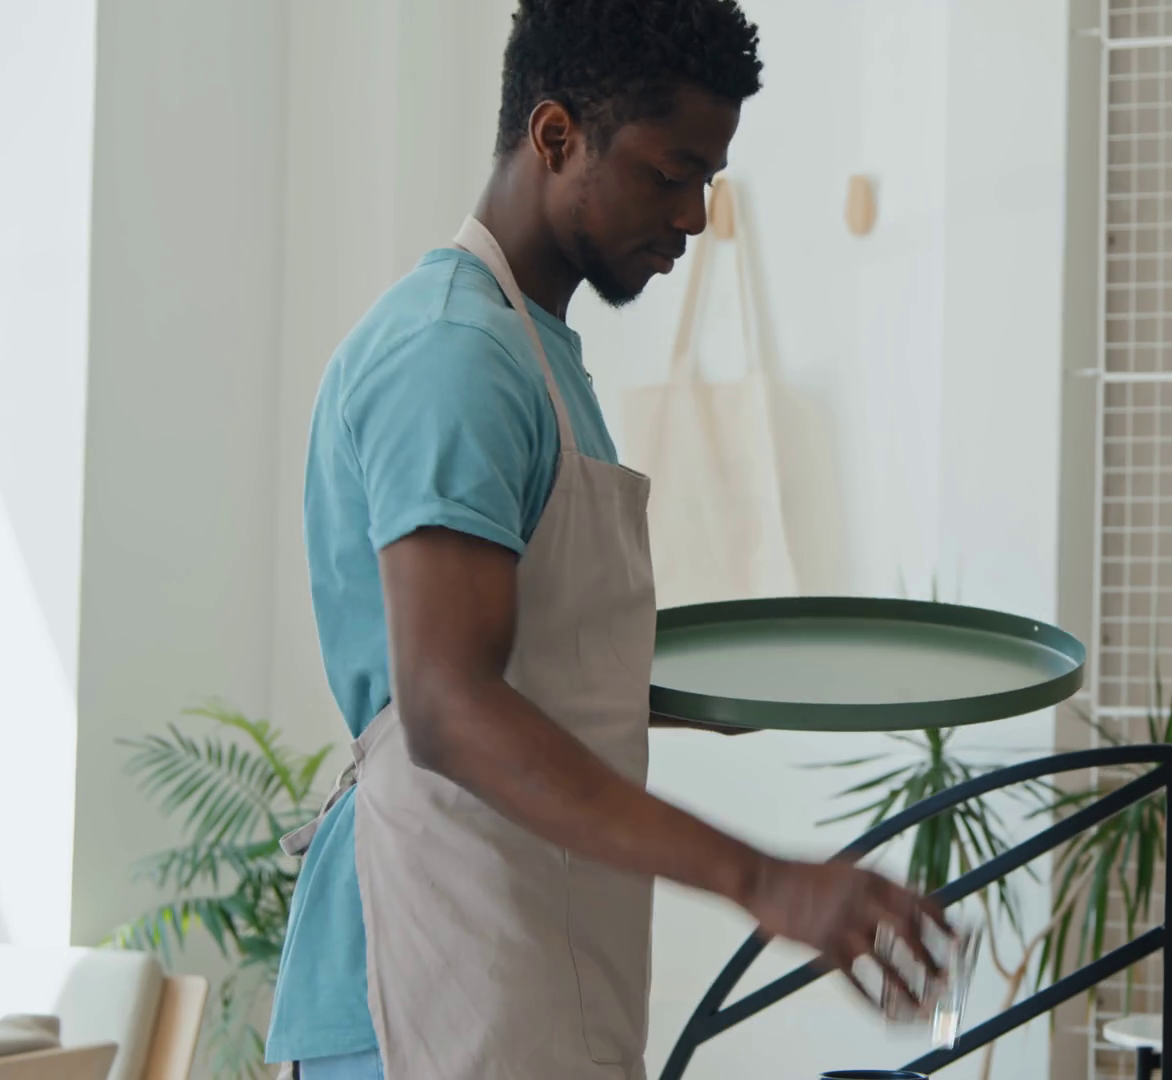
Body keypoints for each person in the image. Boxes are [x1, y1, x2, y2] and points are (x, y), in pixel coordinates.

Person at [265, 3, 939, 1078]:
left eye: (709, 179)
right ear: (555, 137)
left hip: (524, 948)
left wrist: (665, 691)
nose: (694, 215)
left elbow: (531, 659)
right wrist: (766, 881)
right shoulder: (455, 355)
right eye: (671, 173)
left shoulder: (540, 357)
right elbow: (447, 705)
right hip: (417, 970)